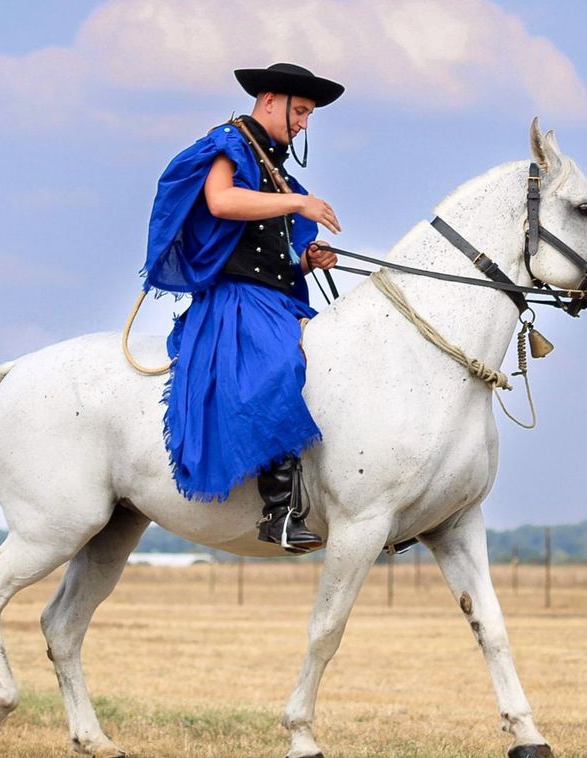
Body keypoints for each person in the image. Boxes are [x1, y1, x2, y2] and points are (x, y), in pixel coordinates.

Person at [141, 63, 344, 553]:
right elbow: (221, 202)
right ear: (269, 99)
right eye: (300, 111)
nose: (303, 124)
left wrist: (305, 257)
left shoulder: (278, 173)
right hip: (236, 299)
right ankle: (277, 510)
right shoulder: (230, 142)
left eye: (310, 115)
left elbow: (269, 245)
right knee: (279, 366)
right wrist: (299, 206)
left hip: (278, 297)